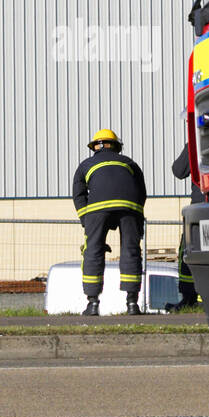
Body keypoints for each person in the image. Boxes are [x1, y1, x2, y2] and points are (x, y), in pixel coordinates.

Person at [72, 129, 147, 316]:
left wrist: (86, 221)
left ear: (95, 146)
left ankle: (92, 304)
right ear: (116, 145)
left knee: (93, 251)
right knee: (130, 250)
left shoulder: (85, 165)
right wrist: (136, 217)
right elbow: (141, 192)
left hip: (97, 209)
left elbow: (78, 195)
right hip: (129, 207)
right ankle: (132, 304)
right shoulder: (129, 162)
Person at [168, 144, 202, 310]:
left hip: (200, 205)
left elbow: (179, 170)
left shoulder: (196, 143)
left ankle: (189, 299)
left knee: (189, 250)